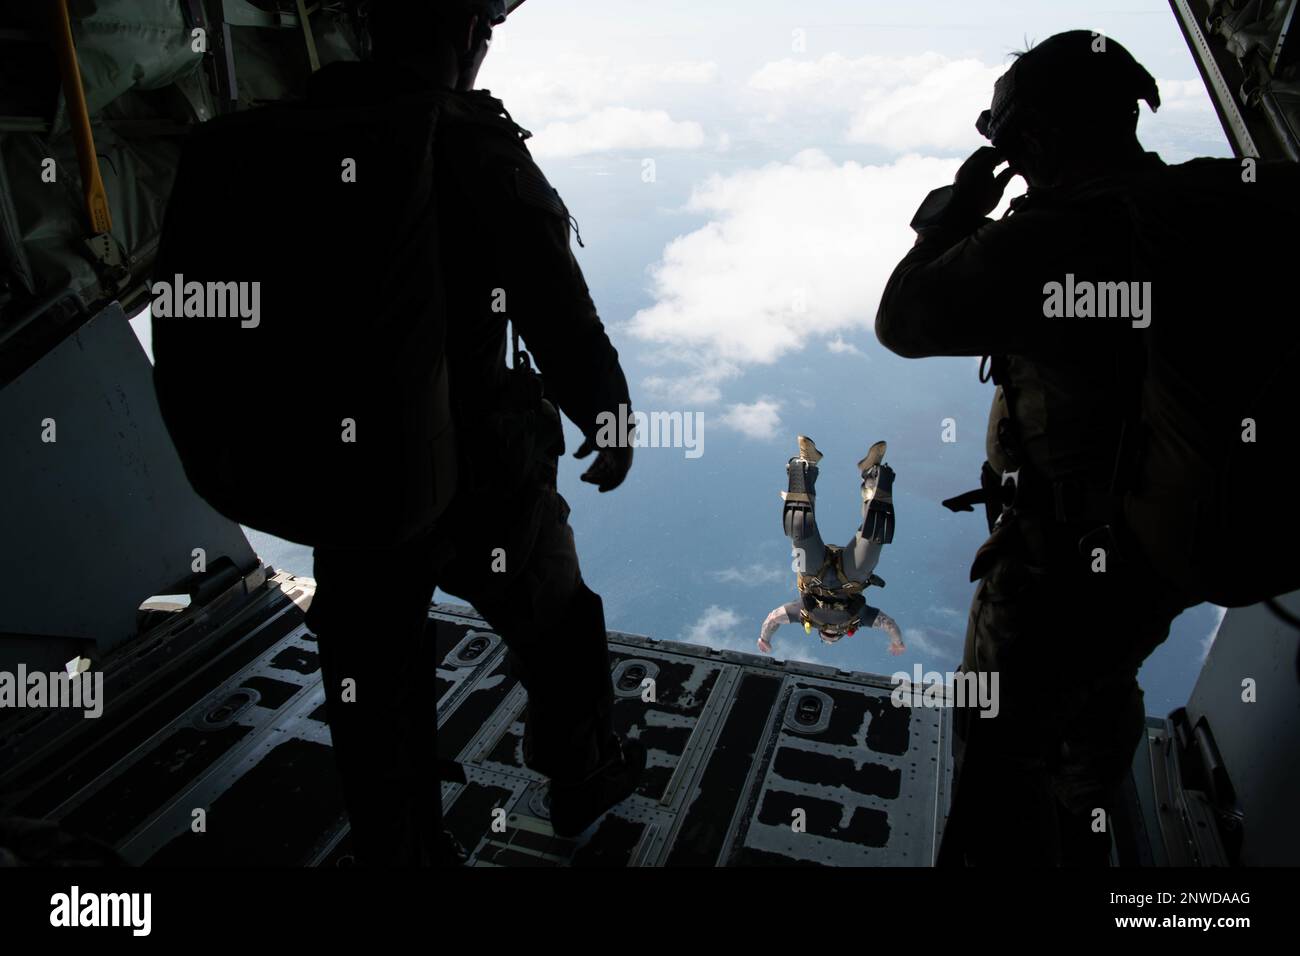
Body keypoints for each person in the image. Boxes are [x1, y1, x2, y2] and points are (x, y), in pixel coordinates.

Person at [305, 0, 644, 866]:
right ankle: (583, 773)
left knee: (369, 677)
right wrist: (606, 414)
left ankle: (400, 846)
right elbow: (549, 295)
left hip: (346, 475)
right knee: (559, 625)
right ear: (464, 34)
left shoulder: (292, 130)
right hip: (478, 470)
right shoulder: (462, 133)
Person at [875, 31, 1195, 865]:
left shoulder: (1051, 241)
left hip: (1058, 564)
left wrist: (960, 207)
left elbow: (903, 319)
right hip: (1155, 554)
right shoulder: (1195, 210)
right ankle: (1092, 811)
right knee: (1105, 681)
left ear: (1036, 141)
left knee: (999, 748)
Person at [758, 436, 904, 656]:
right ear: (846, 633)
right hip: (851, 578)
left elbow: (774, 618)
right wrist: (896, 640)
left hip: (813, 574)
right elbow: (888, 623)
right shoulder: (859, 618)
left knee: (798, 525)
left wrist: (764, 638)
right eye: (834, 637)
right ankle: (873, 474)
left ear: (817, 632)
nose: (830, 635)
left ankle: (805, 466)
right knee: (876, 532)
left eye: (826, 637)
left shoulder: (803, 615)